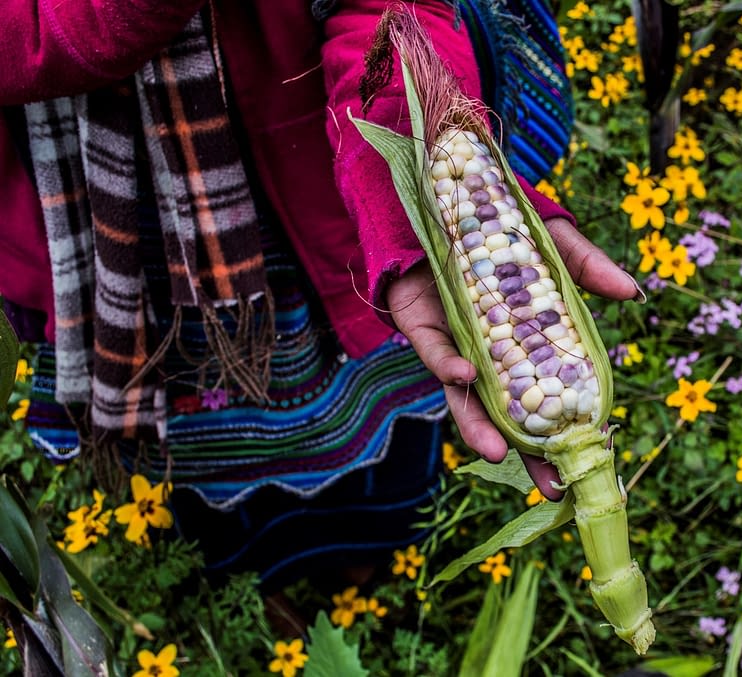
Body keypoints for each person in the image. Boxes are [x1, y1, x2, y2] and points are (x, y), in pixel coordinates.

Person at [0, 0, 640, 589]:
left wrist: (406, 181)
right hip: (127, 241)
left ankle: (372, 560)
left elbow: (385, 12)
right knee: (208, 443)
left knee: (378, 412)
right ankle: (253, 576)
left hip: (330, 191)